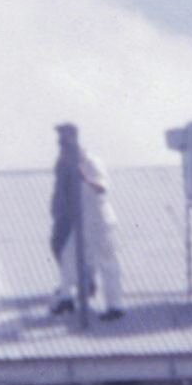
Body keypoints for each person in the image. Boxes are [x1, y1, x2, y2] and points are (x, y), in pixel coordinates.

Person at [48, 122, 125, 318]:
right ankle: (66, 299)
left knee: (107, 262)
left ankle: (115, 306)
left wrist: (84, 177)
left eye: (65, 142)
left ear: (74, 140)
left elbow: (102, 188)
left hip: (99, 221)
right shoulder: (66, 165)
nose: (62, 147)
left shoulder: (90, 162)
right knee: (68, 257)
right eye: (61, 143)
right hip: (82, 223)